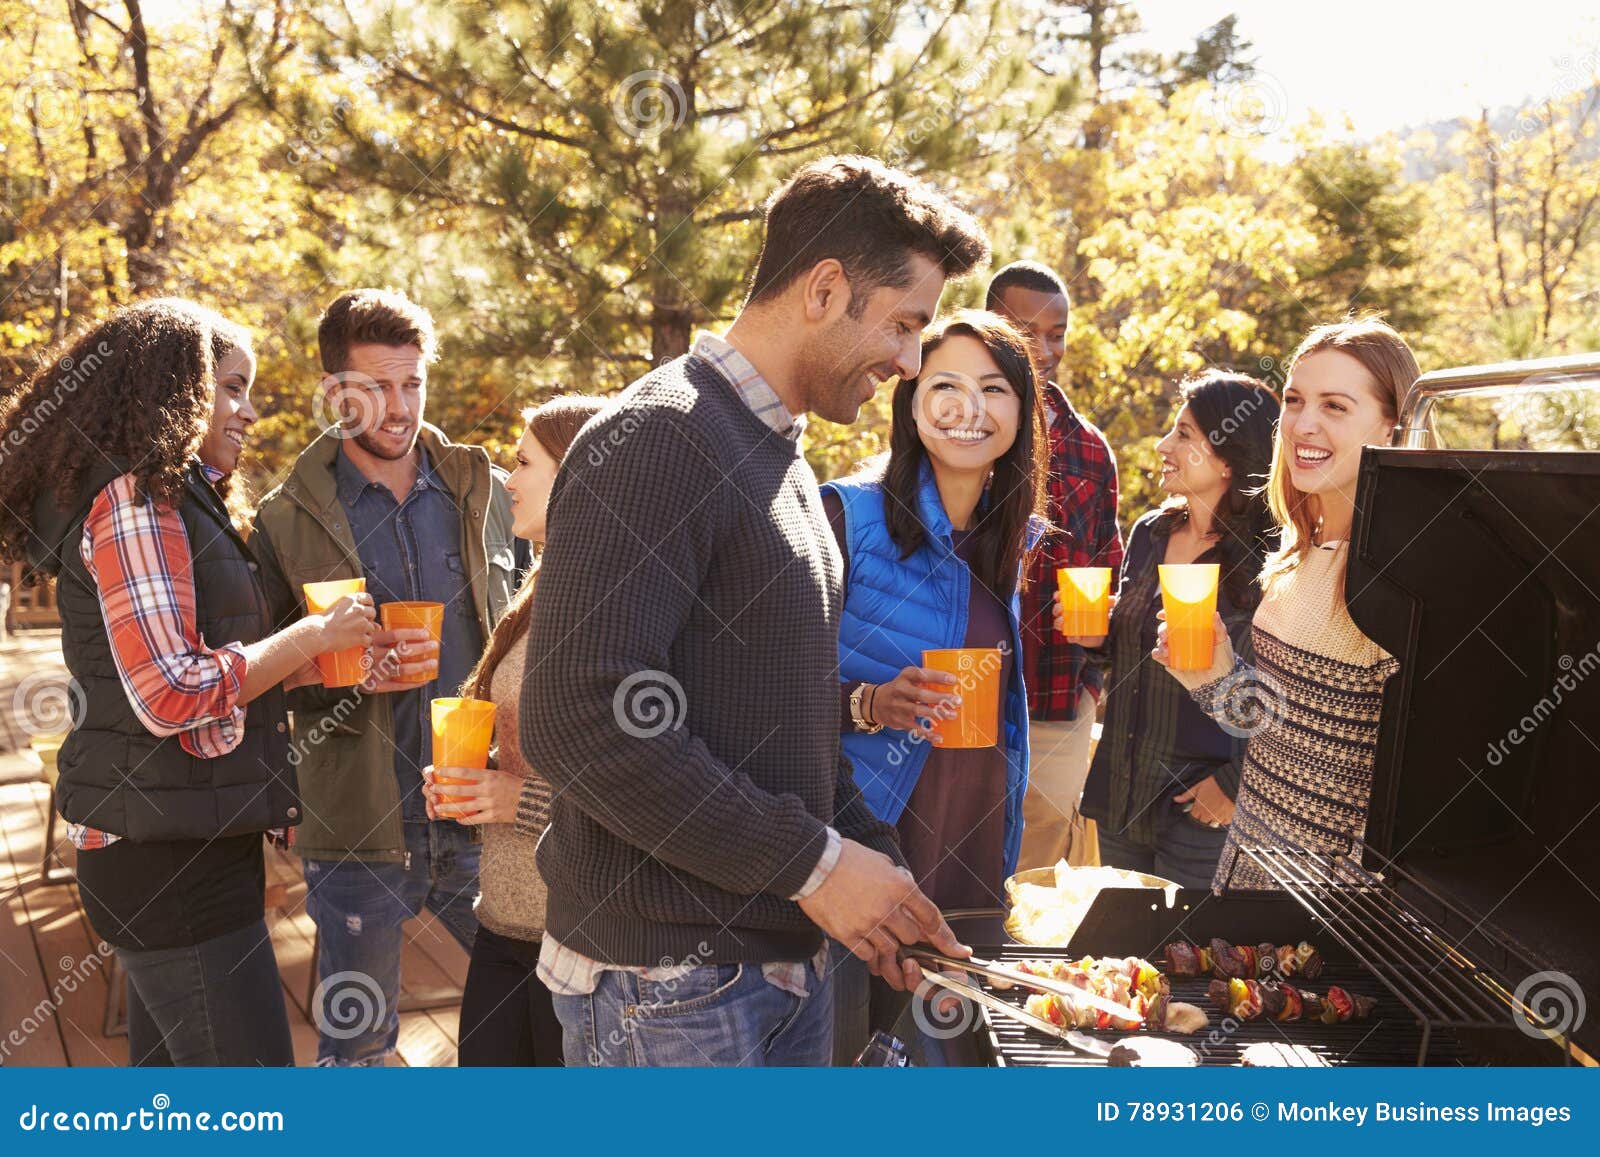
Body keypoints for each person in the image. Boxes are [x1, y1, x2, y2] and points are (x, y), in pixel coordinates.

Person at [520, 155, 990, 1067]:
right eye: (902, 325)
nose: (907, 362)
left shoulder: (786, 466)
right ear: (823, 290)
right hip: (663, 989)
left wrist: (874, 878)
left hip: (772, 968)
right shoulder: (659, 436)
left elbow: (791, 731)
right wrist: (818, 867)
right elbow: (577, 718)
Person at [0, 298, 376, 1065]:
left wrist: (324, 662)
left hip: (189, 846)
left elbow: (208, 685)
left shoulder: (178, 498)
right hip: (168, 866)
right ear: (175, 390)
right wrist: (312, 632)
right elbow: (171, 693)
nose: (248, 411)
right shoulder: (137, 501)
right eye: (232, 387)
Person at [251, 288, 525, 1066]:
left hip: (483, 809)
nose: (399, 407)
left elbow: (542, 626)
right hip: (359, 823)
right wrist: (335, 671)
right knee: (360, 1046)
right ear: (336, 393)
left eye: (412, 383)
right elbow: (259, 675)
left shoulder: (487, 492)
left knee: (546, 1005)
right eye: (375, 388)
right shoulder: (283, 519)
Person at [823, 310, 1045, 1061]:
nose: (969, 407)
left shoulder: (1009, 537)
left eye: (994, 387)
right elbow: (760, 693)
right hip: (868, 862)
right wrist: (870, 702)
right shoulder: (843, 516)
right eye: (945, 384)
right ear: (910, 402)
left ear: (1023, 409)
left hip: (975, 862)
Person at [1156, 316, 1419, 890]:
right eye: (1296, 400)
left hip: (1330, 904)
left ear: (1396, 428)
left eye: (1336, 407)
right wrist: (1213, 675)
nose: (1303, 423)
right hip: (1252, 877)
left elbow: (1396, 779)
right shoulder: (1303, 548)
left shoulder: (1401, 571)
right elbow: (1284, 732)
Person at [418, 394, 608, 1067]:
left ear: (578, 477)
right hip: (502, 920)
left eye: (524, 462)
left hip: (579, 944)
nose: (507, 477)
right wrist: (474, 776)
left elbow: (642, 798)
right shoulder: (539, 589)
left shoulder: (608, 612)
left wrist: (514, 799)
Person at [1079, 371, 1280, 888]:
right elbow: (1133, 658)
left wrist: (1235, 785)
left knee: (1188, 959)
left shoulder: (1270, 560)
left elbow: (1287, 695)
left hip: (1199, 808)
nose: (1163, 445)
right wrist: (1097, 639)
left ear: (1231, 458)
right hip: (1122, 794)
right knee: (1122, 959)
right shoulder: (1150, 533)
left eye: (1184, 435)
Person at [987, 261, 1123, 871]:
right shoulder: (953, 429)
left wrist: (1093, 682)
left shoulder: (1090, 449)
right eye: (1025, 332)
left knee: (1038, 866)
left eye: (1057, 333)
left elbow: (1108, 571)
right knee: (951, 842)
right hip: (960, 690)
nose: (1044, 350)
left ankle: (1022, 967)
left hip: (1056, 697)